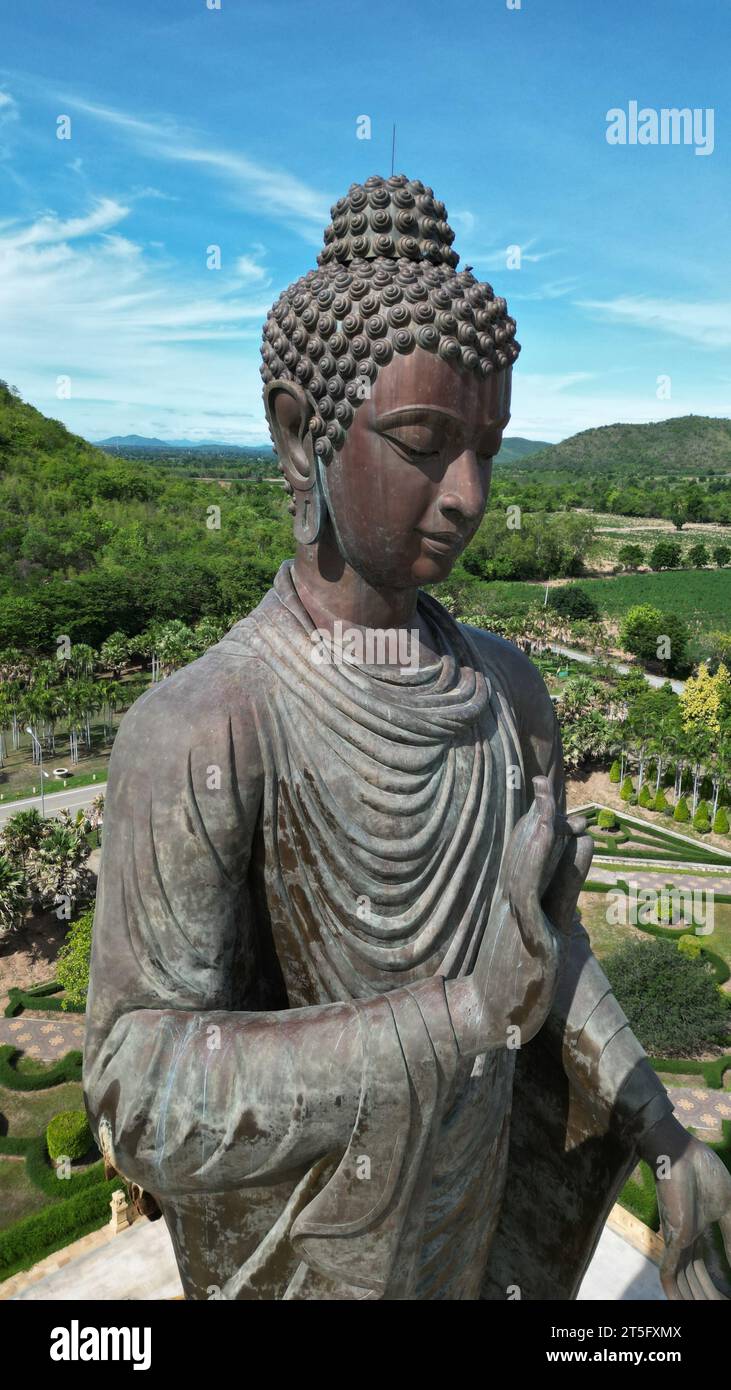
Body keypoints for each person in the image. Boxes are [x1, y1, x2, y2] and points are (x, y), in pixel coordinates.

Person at [84, 175, 731, 1301]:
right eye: (424, 443)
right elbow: (137, 1085)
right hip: (311, 1256)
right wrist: (452, 1018)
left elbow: (545, 955)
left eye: (487, 447)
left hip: (470, 1221)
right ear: (299, 435)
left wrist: (660, 1128)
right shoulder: (205, 726)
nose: (467, 494)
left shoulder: (508, 694)